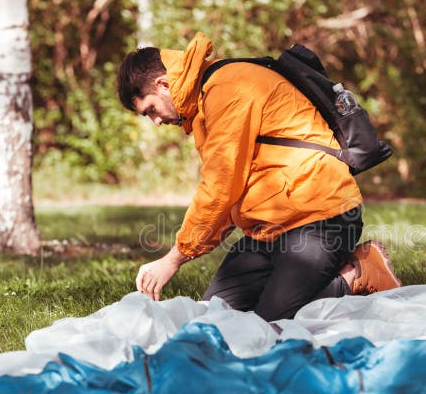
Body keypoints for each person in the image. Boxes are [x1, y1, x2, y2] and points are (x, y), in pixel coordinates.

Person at [116, 31, 401, 322]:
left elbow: (220, 186)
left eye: (151, 110)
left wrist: (174, 259)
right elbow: (231, 192)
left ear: (163, 84)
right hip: (268, 230)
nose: (158, 121)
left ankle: (360, 272)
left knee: (270, 325)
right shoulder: (203, 104)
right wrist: (196, 246)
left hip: (321, 218)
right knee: (216, 316)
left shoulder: (225, 89)